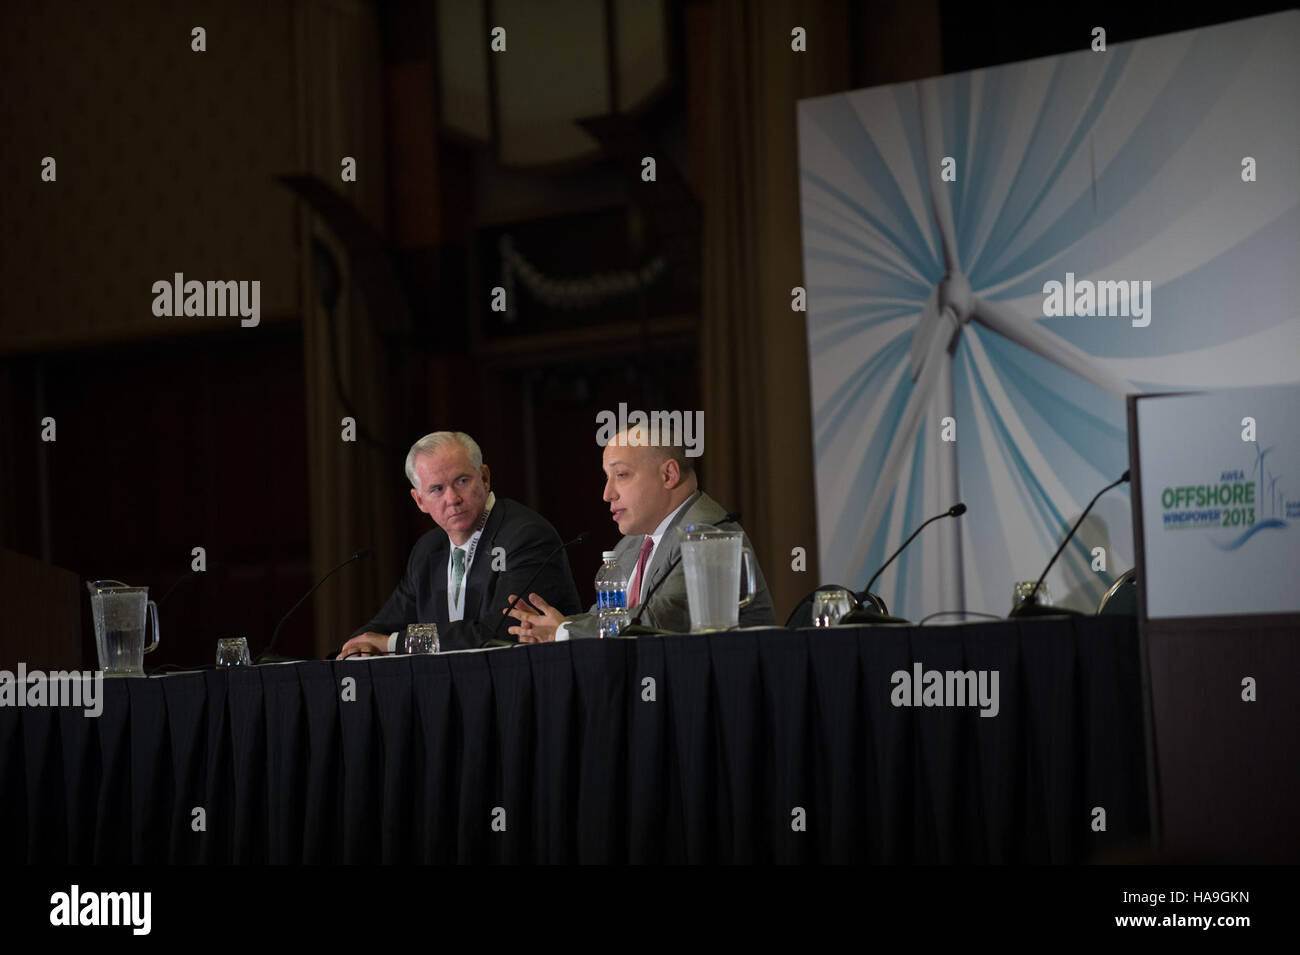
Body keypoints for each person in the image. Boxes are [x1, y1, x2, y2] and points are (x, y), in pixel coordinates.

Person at [505, 427, 774, 641]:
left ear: (669, 474)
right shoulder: (630, 545)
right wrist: (546, 627)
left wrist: (564, 631)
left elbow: (658, 622)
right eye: (607, 478)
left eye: (621, 475)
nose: (607, 494)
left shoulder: (707, 533)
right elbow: (604, 617)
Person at [340, 431, 581, 655]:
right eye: (437, 489)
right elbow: (381, 628)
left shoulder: (525, 537)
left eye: (462, 481)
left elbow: (498, 634)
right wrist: (358, 647)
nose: (453, 499)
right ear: (419, 500)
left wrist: (394, 643)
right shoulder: (427, 550)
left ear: (484, 478)